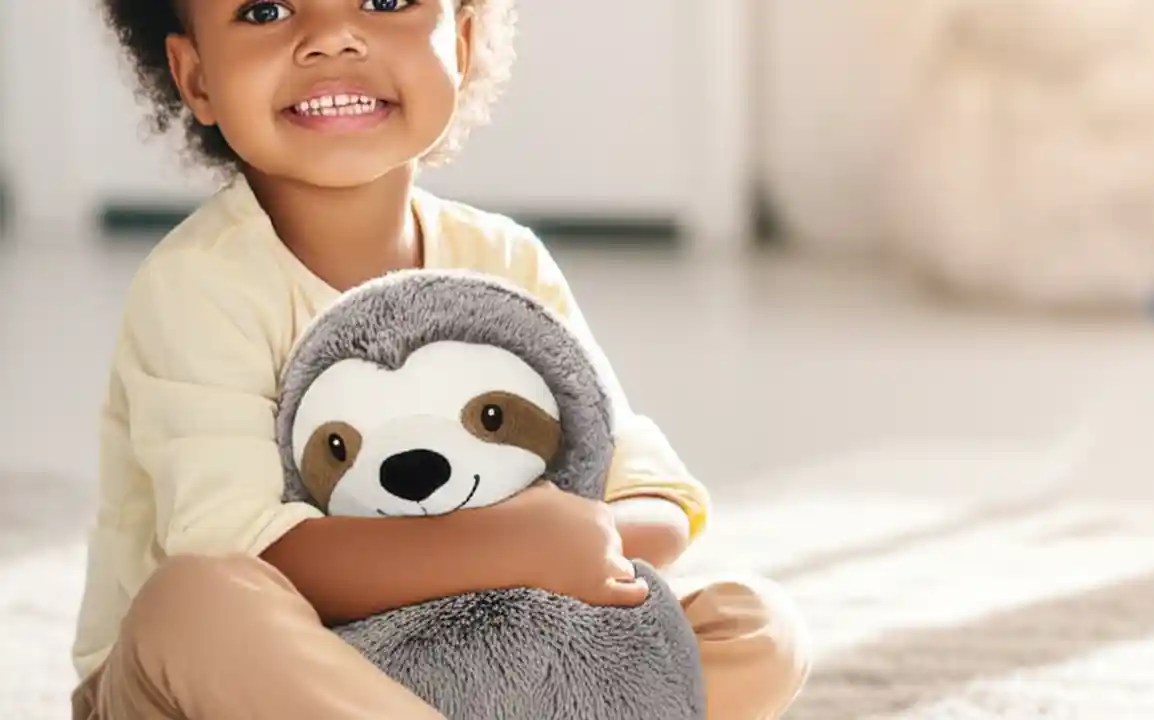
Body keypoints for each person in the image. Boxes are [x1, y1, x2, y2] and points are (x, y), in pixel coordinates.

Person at [71, 1, 810, 717]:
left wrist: (582, 543)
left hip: (491, 656)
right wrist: (511, 547)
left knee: (755, 625)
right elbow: (262, 556)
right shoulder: (200, 285)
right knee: (196, 604)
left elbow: (651, 491)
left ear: (460, 43)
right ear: (195, 75)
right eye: (265, 10)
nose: (332, 38)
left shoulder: (505, 260)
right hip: (242, 684)